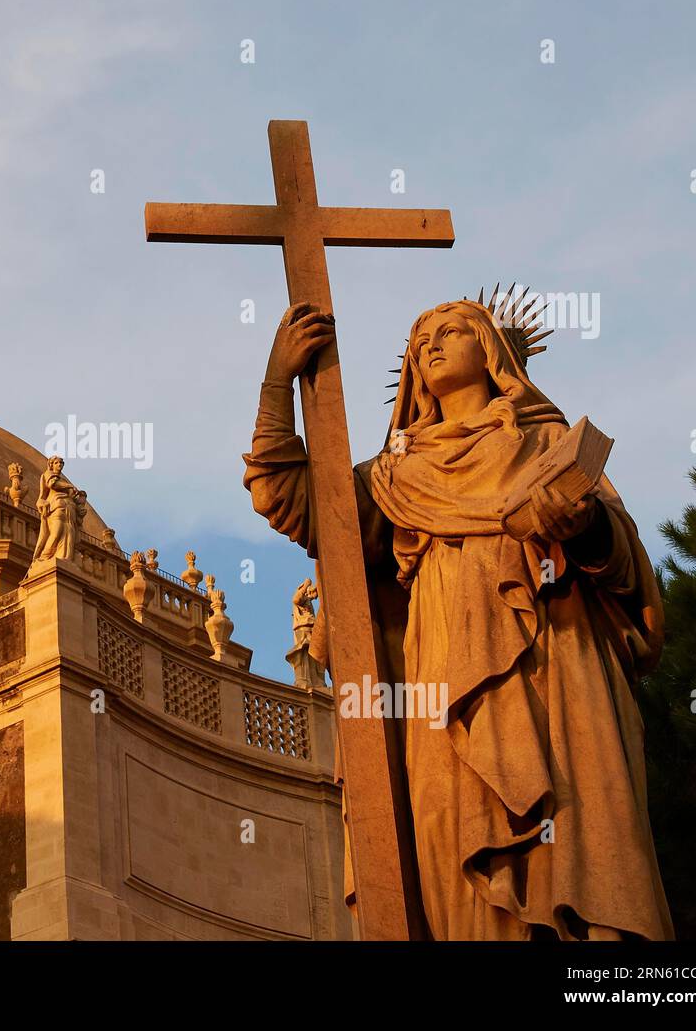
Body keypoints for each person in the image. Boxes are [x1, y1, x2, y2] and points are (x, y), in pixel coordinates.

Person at [244, 297, 672, 940]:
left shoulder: (547, 445)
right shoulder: (393, 477)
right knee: (453, 853)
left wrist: (580, 528)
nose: (430, 347)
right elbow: (293, 500)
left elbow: (629, 572)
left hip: (556, 665)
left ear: (493, 352)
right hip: (443, 690)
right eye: (419, 343)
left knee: (579, 838)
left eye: (449, 332)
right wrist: (279, 381)